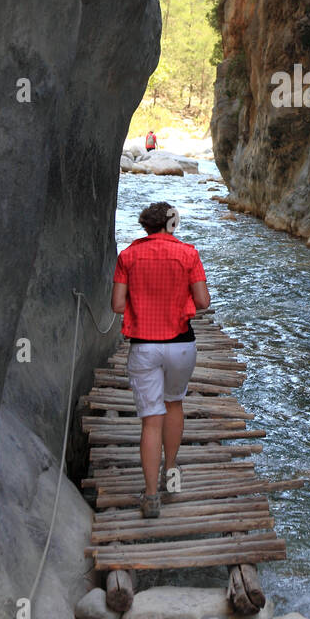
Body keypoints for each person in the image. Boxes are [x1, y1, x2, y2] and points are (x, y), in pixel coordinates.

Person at [111, 201, 210, 518]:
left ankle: (151, 496)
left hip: (144, 347)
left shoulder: (128, 256)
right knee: (175, 403)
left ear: (145, 226)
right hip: (180, 345)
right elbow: (203, 301)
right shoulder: (189, 254)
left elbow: (116, 305)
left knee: (151, 420)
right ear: (171, 225)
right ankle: (171, 470)